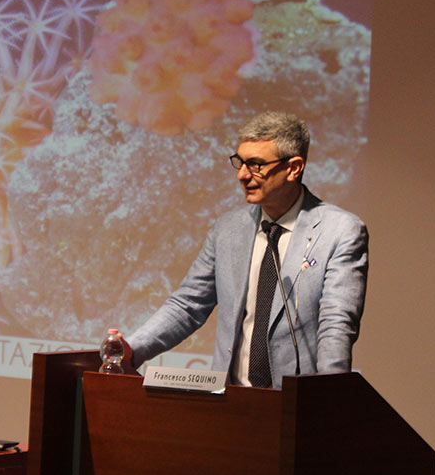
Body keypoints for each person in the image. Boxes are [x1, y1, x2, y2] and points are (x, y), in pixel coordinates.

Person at [123, 111, 368, 388]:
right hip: (230, 403)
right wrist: (131, 351)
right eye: (240, 162)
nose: (242, 175)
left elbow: (336, 326)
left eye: (256, 164)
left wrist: (330, 397)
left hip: (296, 406)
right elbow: (188, 305)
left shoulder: (340, 231)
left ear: (293, 168)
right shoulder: (228, 230)